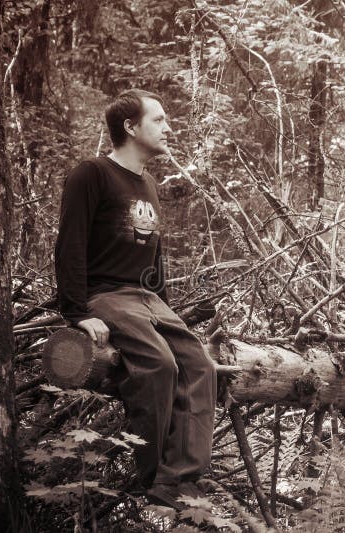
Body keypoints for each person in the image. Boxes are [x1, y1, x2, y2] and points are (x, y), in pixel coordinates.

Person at [54, 89, 217, 509]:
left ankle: (180, 479)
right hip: (107, 296)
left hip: (148, 298)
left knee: (199, 365)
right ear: (130, 127)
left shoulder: (148, 183)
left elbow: (153, 255)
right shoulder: (91, 174)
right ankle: (151, 478)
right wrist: (75, 312)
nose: (168, 127)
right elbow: (70, 245)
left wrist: (165, 310)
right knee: (159, 366)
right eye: (159, 120)